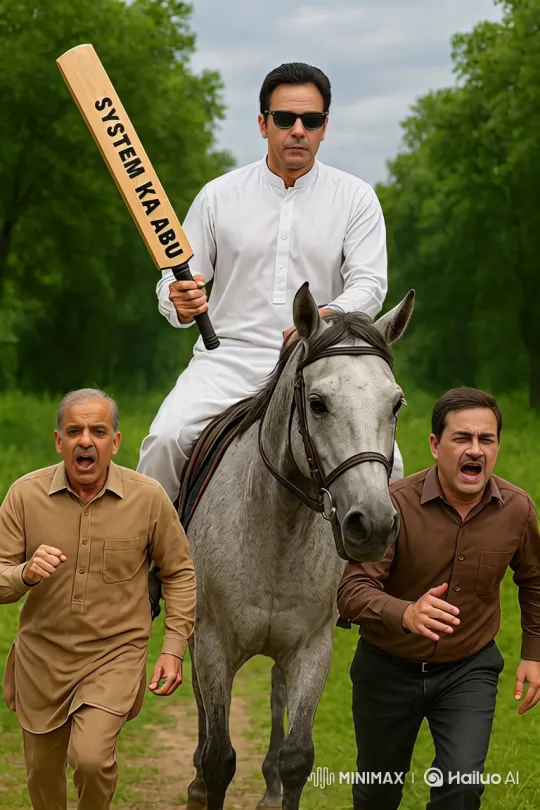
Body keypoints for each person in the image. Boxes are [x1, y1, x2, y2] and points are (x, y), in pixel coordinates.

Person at [136, 61, 404, 503]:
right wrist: (177, 301)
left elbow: (370, 284)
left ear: (324, 128)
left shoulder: (356, 197)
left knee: (391, 467)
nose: (298, 130)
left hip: (319, 361)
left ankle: (373, 575)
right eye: (285, 119)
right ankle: (147, 570)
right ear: (263, 124)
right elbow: (175, 281)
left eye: (311, 120)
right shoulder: (217, 196)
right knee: (165, 441)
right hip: (226, 360)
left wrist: (326, 317)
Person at [337, 387, 540, 810]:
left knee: (461, 787)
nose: (476, 450)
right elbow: (351, 593)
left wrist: (534, 654)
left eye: (487, 440)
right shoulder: (395, 506)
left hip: (468, 670)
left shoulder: (517, 510)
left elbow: (534, 579)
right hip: (386, 672)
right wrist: (405, 613)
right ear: (435, 445)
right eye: (462, 438)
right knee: (378, 792)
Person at [0, 388, 196, 810]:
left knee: (90, 759)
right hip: (41, 660)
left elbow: (179, 571)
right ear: (59, 442)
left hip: (114, 655)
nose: (85, 440)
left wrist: (174, 649)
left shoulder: (148, 498)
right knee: (41, 775)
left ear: (115, 442)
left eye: (97, 431)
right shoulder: (23, 495)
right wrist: (24, 573)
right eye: (74, 431)